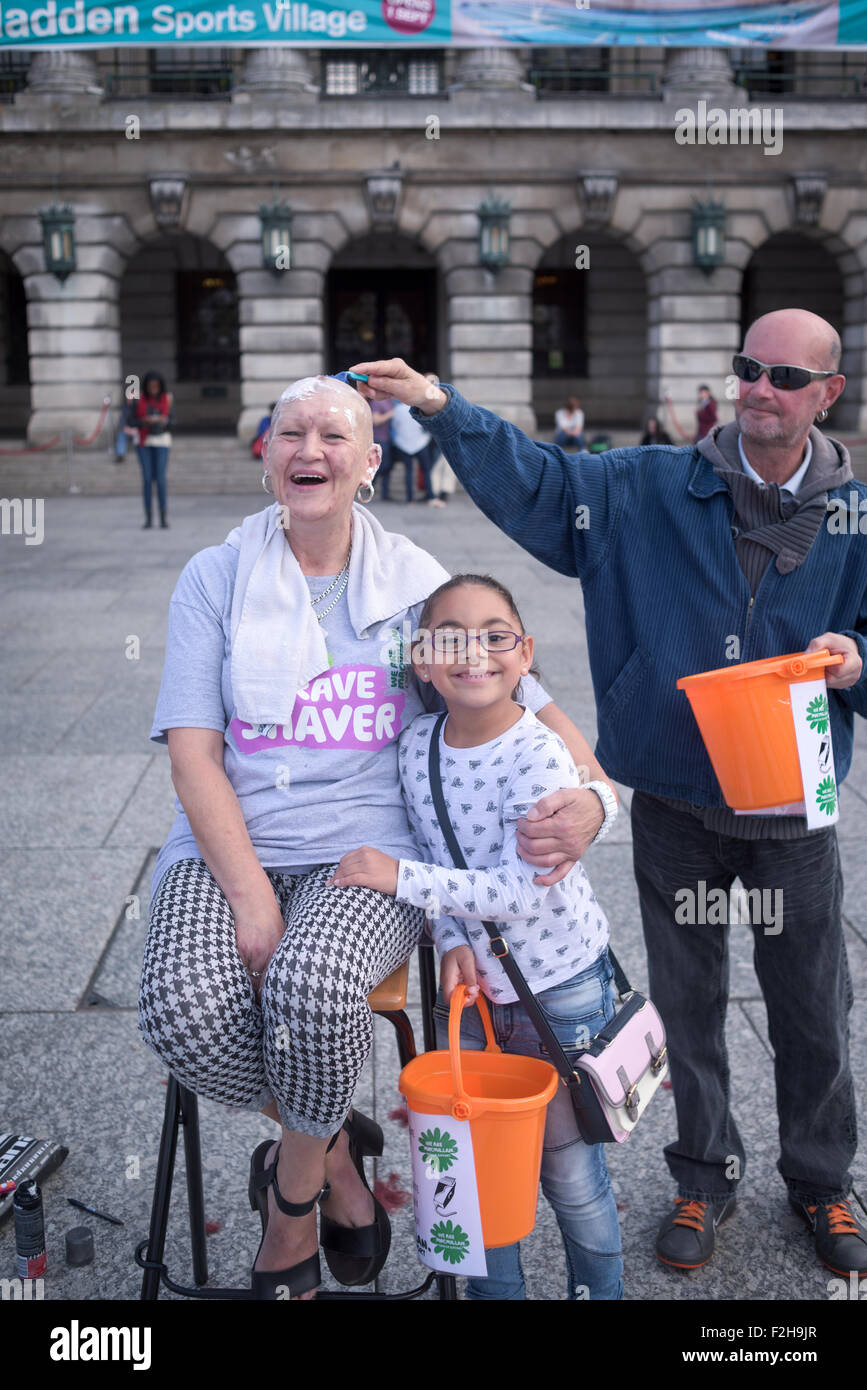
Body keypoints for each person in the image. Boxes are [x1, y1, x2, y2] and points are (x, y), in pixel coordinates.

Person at [350, 309, 867, 1280]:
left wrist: (856, 657)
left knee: (811, 1008)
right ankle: (702, 1173)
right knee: (688, 1001)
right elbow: (541, 484)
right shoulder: (644, 486)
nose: (760, 388)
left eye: (785, 377)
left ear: (828, 393)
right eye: (747, 367)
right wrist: (442, 409)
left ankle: (820, 1178)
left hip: (795, 815)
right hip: (675, 799)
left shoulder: (856, 514)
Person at [138, 373, 607, 1301]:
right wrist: (249, 894)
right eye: (289, 434)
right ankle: (338, 1164)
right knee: (182, 1010)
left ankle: (289, 1212)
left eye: (331, 437)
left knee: (314, 989)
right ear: (266, 455)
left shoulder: (416, 585)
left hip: (367, 851)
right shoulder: (215, 575)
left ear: (369, 463)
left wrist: (594, 798)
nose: (309, 450)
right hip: (229, 841)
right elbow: (193, 754)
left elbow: (533, 697)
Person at [330, 573, 623, 1301]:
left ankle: (599, 1291)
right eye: (450, 638)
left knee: (565, 1168)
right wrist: (451, 932)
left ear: (524, 656)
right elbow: (443, 857)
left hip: (556, 989)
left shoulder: (537, 756)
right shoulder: (416, 745)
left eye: (495, 636)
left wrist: (394, 878)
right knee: (474, 1167)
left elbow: (522, 889)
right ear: (421, 663)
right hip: (476, 1000)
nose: (475, 653)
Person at [135, 371, 173, 529]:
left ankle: (163, 517)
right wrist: (145, 421)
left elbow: (174, 420)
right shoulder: (139, 400)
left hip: (162, 441)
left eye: (156, 386)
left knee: (161, 479)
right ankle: (149, 518)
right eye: (150, 386)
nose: (153, 389)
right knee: (147, 479)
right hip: (144, 441)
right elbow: (131, 420)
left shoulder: (167, 399)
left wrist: (163, 421)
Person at [421, 372, 457, 507]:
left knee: (445, 467)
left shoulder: (444, 396)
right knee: (433, 467)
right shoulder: (423, 397)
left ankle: (442, 494)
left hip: (445, 437)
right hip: (430, 438)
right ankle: (433, 493)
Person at [390, 397, 433, 503]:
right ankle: (430, 496)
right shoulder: (419, 407)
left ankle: (410, 499)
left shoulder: (397, 409)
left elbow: (395, 426)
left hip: (403, 443)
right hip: (421, 442)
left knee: (408, 471)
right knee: (426, 471)